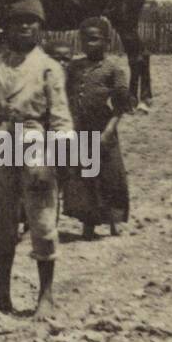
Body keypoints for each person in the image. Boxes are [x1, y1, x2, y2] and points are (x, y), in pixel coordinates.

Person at [0, 0, 73, 319]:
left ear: (41, 28)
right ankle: (1, 292)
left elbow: (61, 119)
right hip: (2, 141)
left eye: (31, 22)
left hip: (35, 142)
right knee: (2, 218)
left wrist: (59, 160)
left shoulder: (48, 69)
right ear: (6, 27)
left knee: (42, 217)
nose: (24, 28)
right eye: (17, 22)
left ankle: (46, 295)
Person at [63, 16, 131, 240]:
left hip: (103, 128)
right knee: (85, 176)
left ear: (106, 42)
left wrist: (110, 129)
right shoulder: (75, 66)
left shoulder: (114, 68)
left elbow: (121, 104)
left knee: (110, 175)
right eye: (84, 40)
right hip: (80, 127)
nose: (88, 44)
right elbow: (66, 95)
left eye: (94, 39)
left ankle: (115, 220)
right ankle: (88, 223)